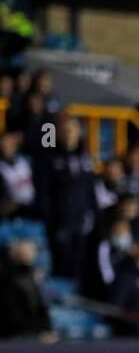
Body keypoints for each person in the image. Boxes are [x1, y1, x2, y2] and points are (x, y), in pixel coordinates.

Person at [35, 116, 98, 280]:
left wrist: (94, 214)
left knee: (79, 264)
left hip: (81, 219)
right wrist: (49, 219)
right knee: (61, 263)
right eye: (64, 130)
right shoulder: (50, 158)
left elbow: (91, 190)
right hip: (59, 220)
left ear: (79, 132)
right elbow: (43, 192)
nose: (68, 134)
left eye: (72, 130)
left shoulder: (85, 158)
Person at [0, 238, 51, 339]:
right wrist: (38, 331)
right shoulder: (6, 278)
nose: (32, 253)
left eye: (33, 250)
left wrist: (47, 329)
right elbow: (12, 314)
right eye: (26, 250)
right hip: (13, 336)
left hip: (29, 332)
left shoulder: (29, 275)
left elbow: (40, 307)